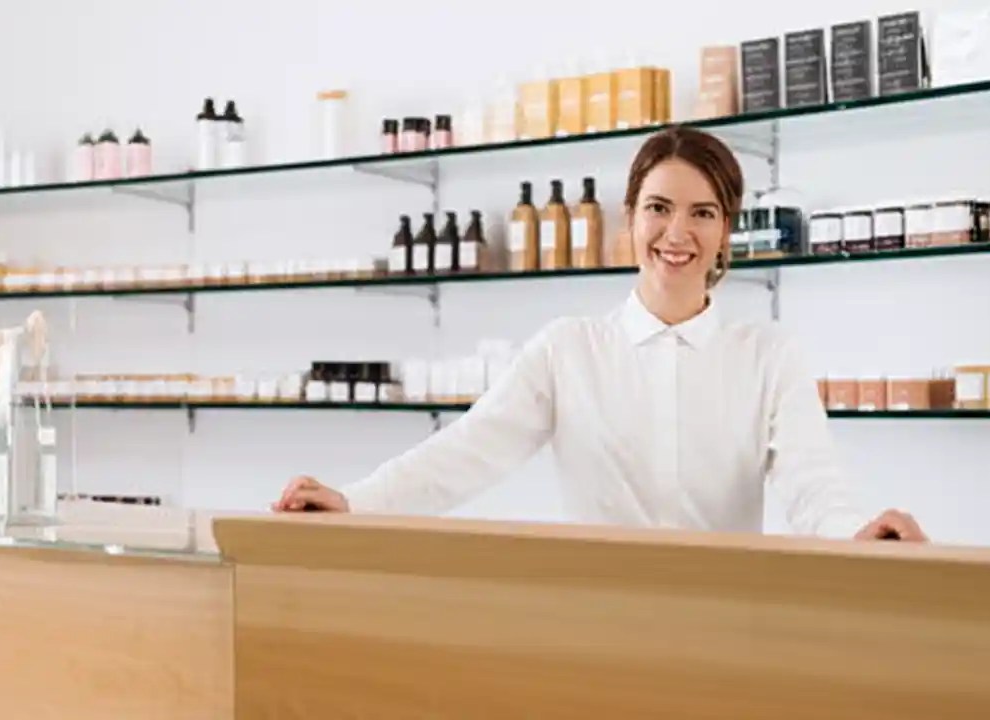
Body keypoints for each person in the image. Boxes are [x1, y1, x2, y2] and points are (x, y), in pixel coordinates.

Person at [274, 125, 927, 542]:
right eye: (659, 209)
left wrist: (862, 534)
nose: (678, 233)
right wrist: (353, 501)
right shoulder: (569, 349)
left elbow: (816, 491)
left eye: (703, 213)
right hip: (596, 616)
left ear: (726, 230)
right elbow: (464, 453)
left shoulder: (767, 357)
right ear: (630, 219)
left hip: (728, 618)